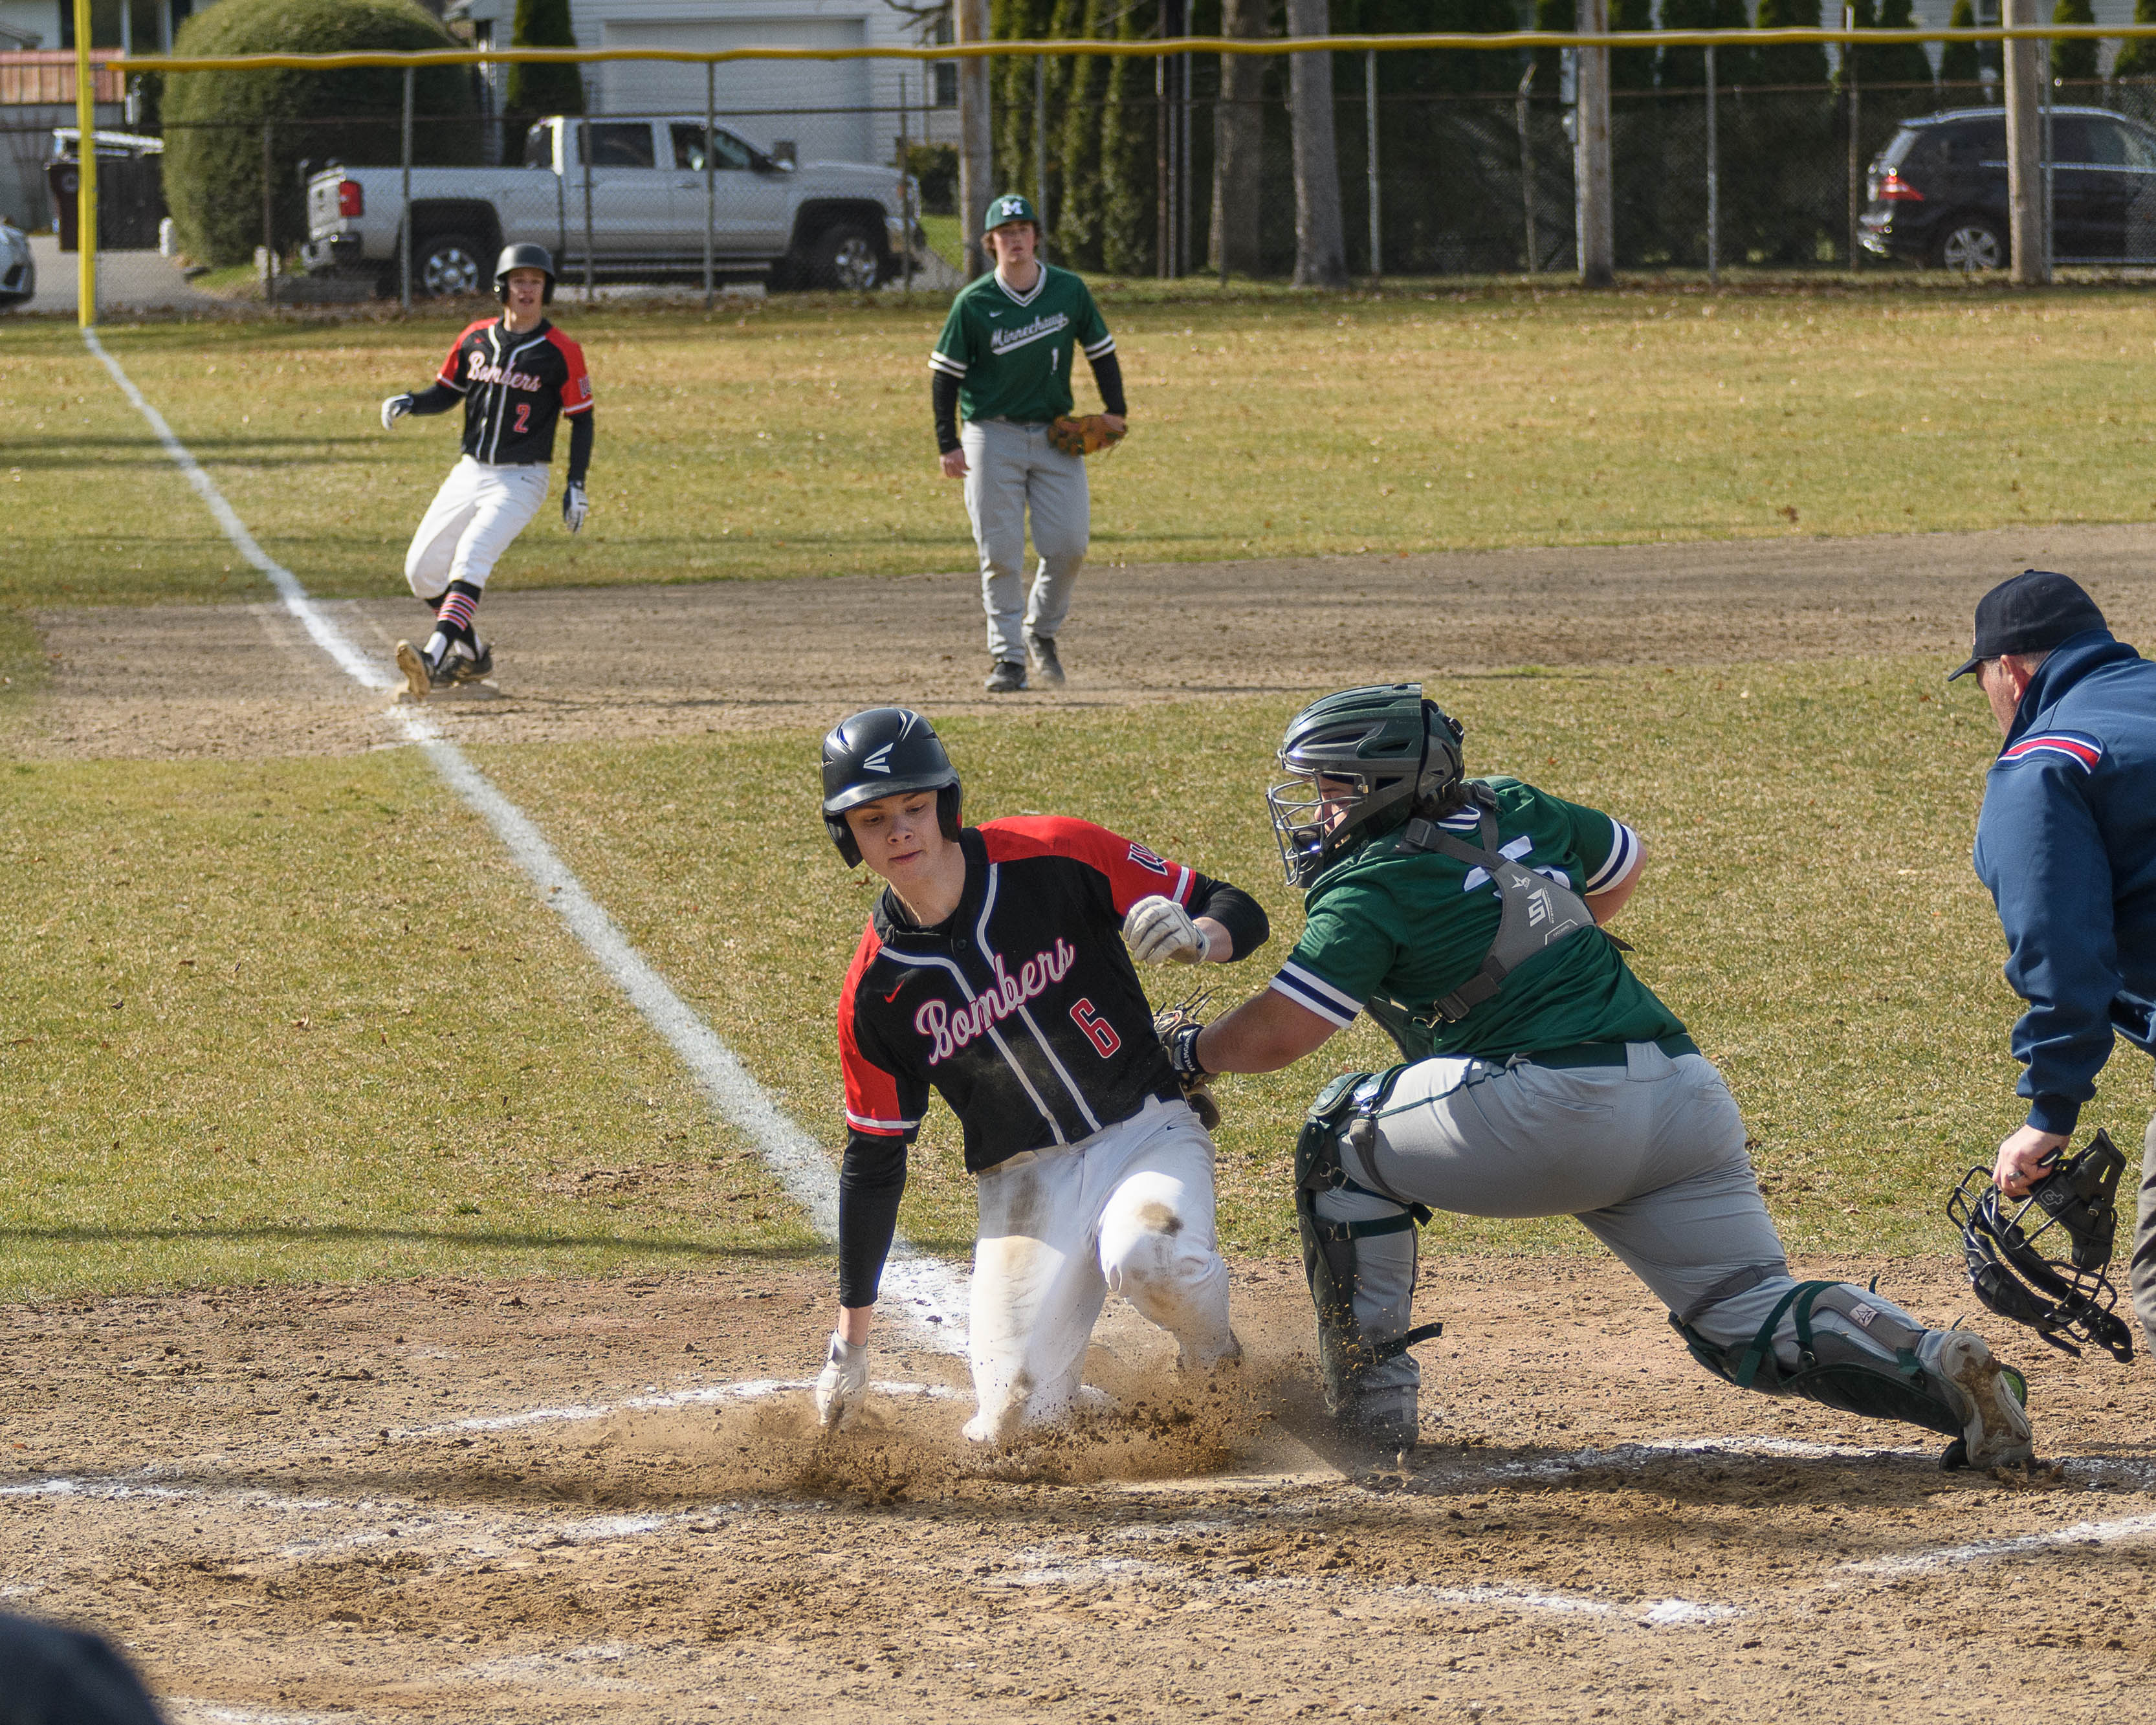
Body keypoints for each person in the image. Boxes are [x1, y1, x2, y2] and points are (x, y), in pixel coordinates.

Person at [1159, 682, 2036, 1467]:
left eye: (1332, 787)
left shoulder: (1371, 888)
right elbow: (1622, 863)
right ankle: (1935, 1362)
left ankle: (1368, 1410)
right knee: (1742, 1310)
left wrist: (1191, 1049)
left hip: (1553, 1109)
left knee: (1337, 1132)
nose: (1318, 811)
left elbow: (1280, 1033)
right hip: (1683, 1095)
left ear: (1384, 783)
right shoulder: (1513, 804)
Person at [811, 706, 1267, 1445]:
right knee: (1013, 1432)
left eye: (914, 807)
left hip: (1144, 1129)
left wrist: (1199, 938)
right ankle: (1124, 1414)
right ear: (845, 836)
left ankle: (1214, 1365)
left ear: (947, 805)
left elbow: (1234, 907)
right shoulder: (877, 991)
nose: (899, 831)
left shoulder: (1051, 853)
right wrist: (848, 1344)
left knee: (1150, 1255)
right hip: (1022, 1186)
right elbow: (873, 1161)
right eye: (871, 818)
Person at [1950, 570, 2156, 1350]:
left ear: (2009, 670)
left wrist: (2048, 1109)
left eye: (1983, 684)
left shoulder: (2044, 763)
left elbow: (2058, 947)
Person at [930, 194, 1126, 695]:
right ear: (990, 242)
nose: (1014, 238)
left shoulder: (1067, 291)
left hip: (1054, 434)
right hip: (989, 435)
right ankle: (1008, 659)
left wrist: (1115, 409)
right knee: (1000, 552)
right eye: (1005, 231)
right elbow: (945, 377)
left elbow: (1101, 350)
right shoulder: (973, 303)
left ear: (1036, 237)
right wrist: (947, 442)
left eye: (1023, 229)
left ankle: (1039, 631)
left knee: (1069, 545)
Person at [379, 243, 593, 699]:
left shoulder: (560, 351)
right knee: (421, 571)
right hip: (471, 472)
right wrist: (412, 402)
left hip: (522, 478)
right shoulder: (475, 337)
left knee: (472, 557)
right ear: (502, 287)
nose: (528, 289)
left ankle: (433, 659)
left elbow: (582, 418)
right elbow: (446, 392)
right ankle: (474, 654)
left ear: (547, 289)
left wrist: (576, 482)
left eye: (536, 281)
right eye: (519, 280)